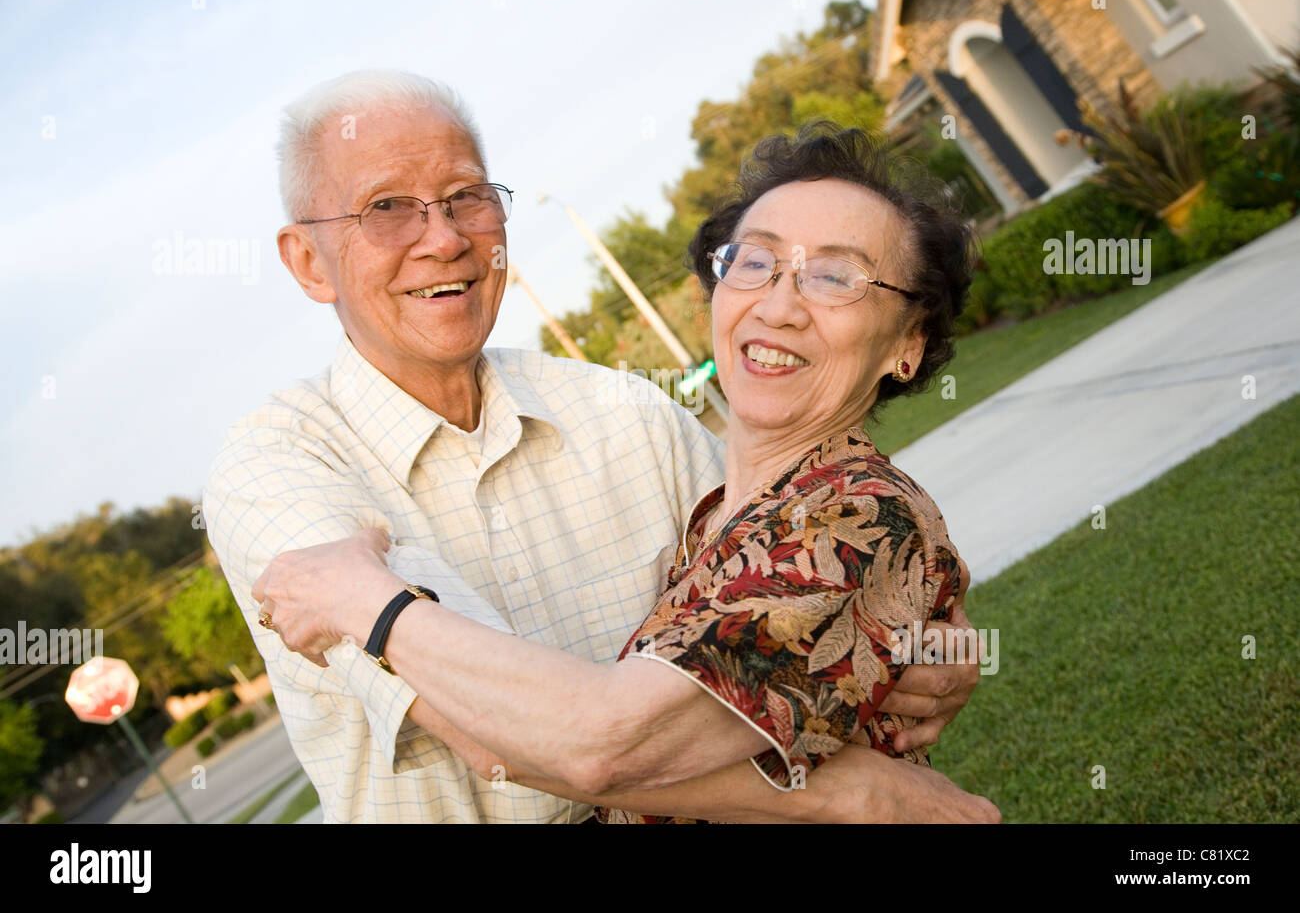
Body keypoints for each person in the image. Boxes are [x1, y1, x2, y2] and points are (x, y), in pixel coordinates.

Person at [245, 97, 998, 822]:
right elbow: (500, 732)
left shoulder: (843, 506)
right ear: (307, 262)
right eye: (754, 263)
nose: (778, 305)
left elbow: (596, 742)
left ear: (909, 342)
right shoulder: (278, 463)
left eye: (836, 277)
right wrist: (864, 750)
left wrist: (364, 602)